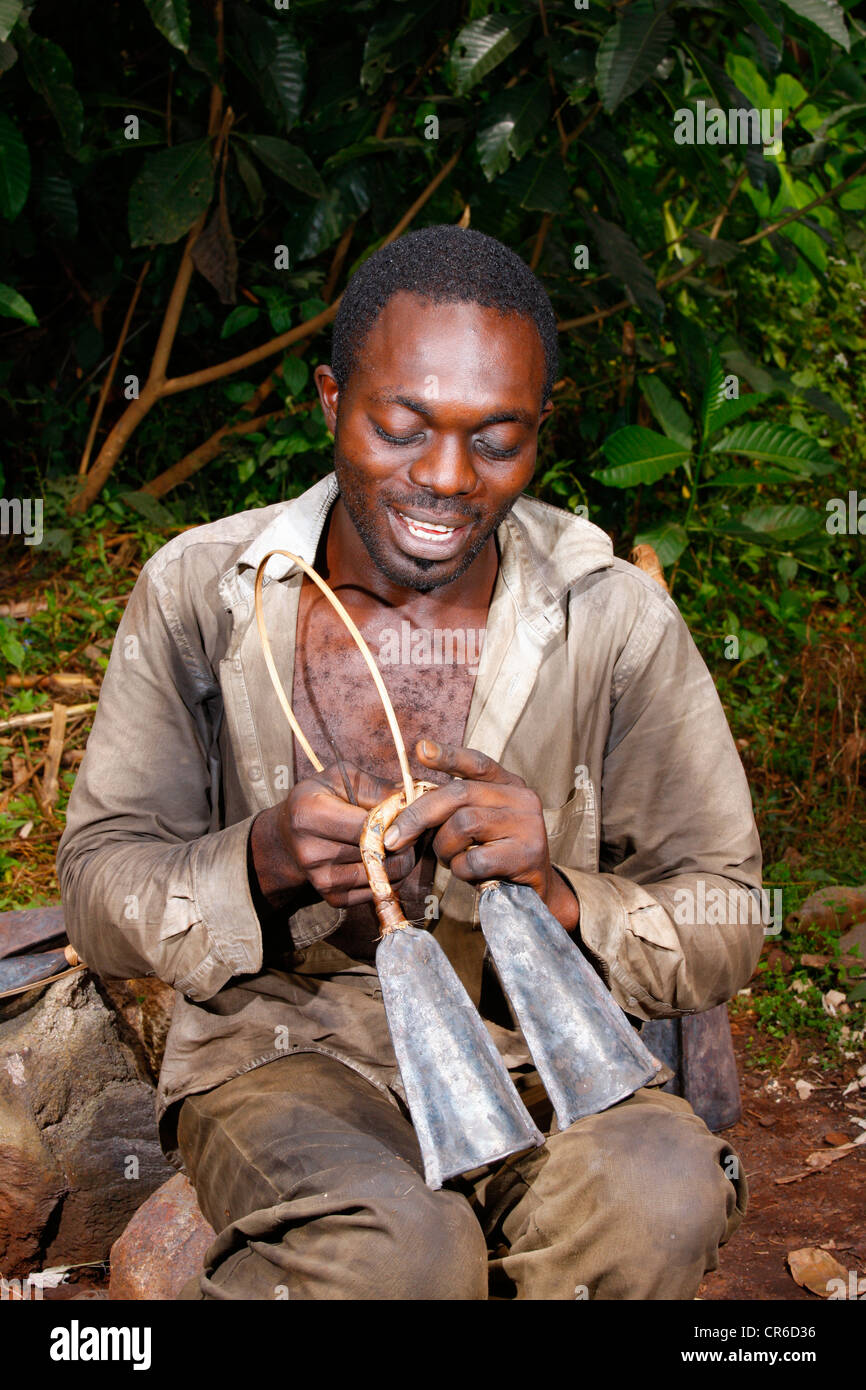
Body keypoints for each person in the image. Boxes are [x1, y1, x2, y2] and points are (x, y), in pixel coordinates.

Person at [57, 225, 763, 1301]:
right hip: (283, 1055)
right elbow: (99, 883)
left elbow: (727, 913)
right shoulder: (201, 591)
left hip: (541, 1056)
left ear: (540, 432)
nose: (444, 479)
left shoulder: (607, 616)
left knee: (661, 1190)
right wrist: (261, 856)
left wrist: (556, 893)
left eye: (495, 440)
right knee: (401, 1253)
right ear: (331, 399)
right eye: (402, 427)